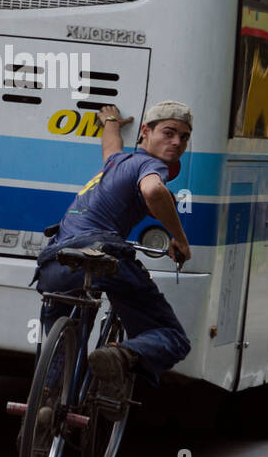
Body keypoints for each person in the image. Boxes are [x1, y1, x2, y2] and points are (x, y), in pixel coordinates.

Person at [32, 100, 194, 414]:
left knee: (65, 342)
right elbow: (153, 192)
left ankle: (44, 411)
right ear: (145, 132)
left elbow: (110, 148)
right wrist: (179, 238)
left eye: (185, 137)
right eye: (169, 132)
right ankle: (118, 355)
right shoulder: (150, 165)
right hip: (100, 254)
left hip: (55, 260)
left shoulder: (117, 162)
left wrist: (110, 122)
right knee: (173, 336)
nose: (177, 142)